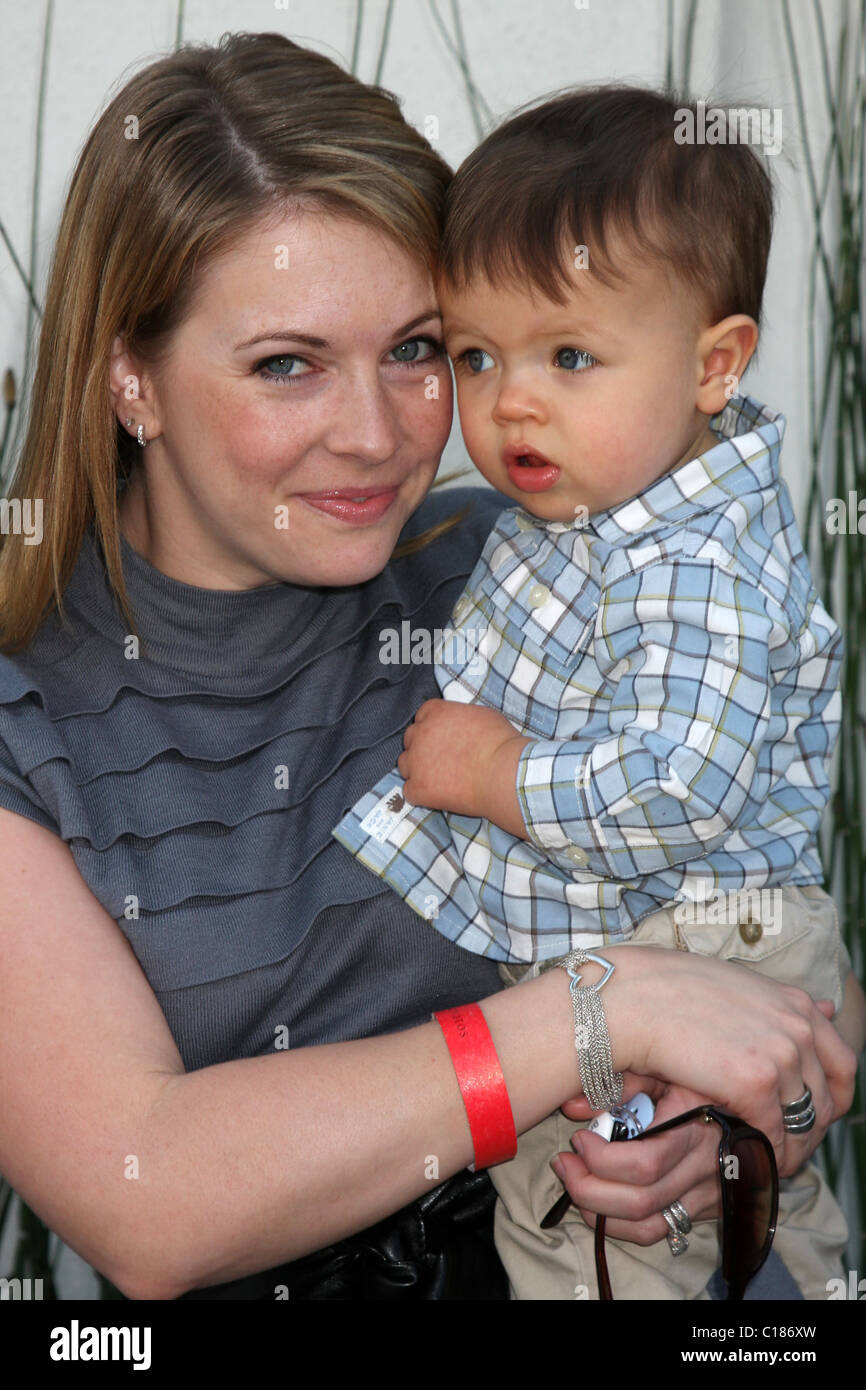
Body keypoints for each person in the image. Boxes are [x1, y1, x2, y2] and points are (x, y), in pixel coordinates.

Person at [0, 36, 859, 1303]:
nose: (377, 430)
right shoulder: (32, 725)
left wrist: (744, 1128)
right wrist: (588, 1014)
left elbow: (794, 977)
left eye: (415, 348)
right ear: (132, 380)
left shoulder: (517, 566)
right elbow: (150, 1194)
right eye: (287, 363)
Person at [332, 84, 865, 1299]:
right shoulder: (580, 505)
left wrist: (492, 773)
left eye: (568, 354)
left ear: (712, 363)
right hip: (637, 947)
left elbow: (678, 785)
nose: (510, 398)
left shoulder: (698, 562)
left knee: (632, 1253)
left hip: (692, 933)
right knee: (572, 1237)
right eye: (475, 353)